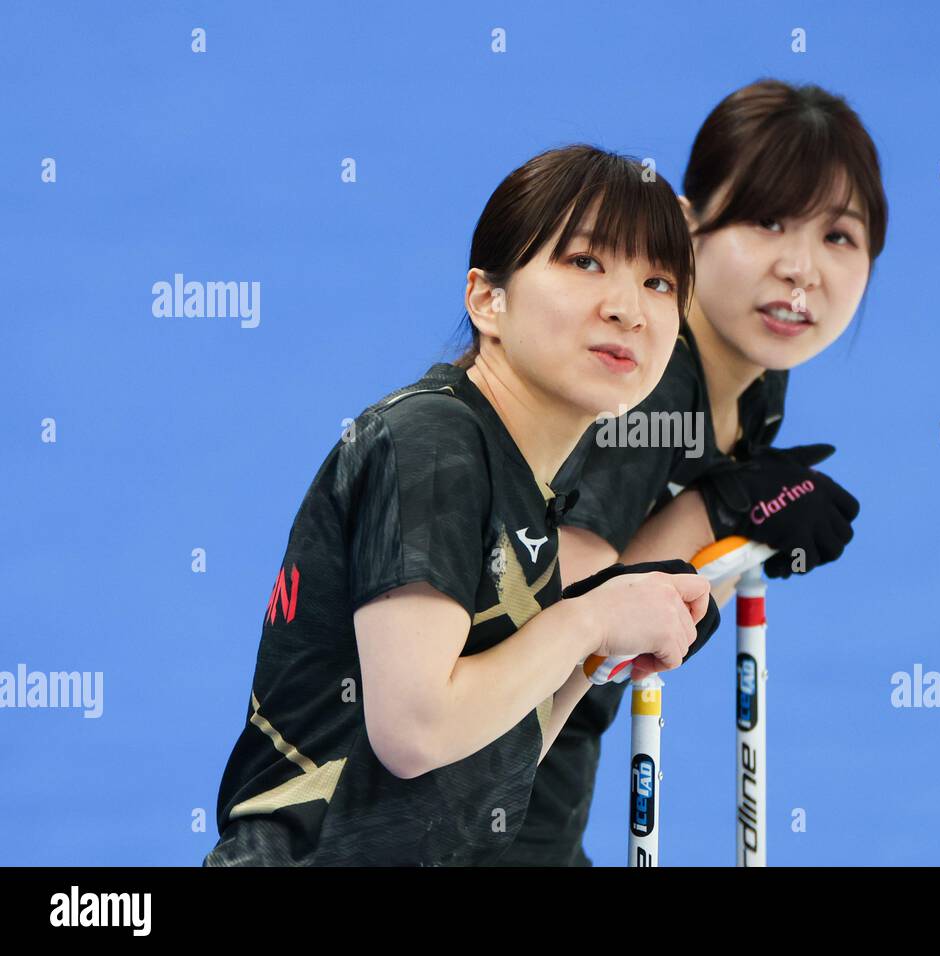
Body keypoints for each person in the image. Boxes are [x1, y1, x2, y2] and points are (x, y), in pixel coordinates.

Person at [203, 144, 720, 867]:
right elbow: (417, 731)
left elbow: (490, 756)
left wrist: (598, 646)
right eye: (585, 263)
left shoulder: (528, 482)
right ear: (487, 299)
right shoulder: (433, 443)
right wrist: (591, 617)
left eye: (660, 281)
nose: (627, 308)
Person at [498, 79, 889, 866]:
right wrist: (722, 512)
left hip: (544, 796)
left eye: (839, 237)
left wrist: (734, 521)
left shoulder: (756, 375)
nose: (800, 269)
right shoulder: (647, 375)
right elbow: (555, 622)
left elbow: (659, 616)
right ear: (688, 225)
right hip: (469, 793)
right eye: (768, 220)